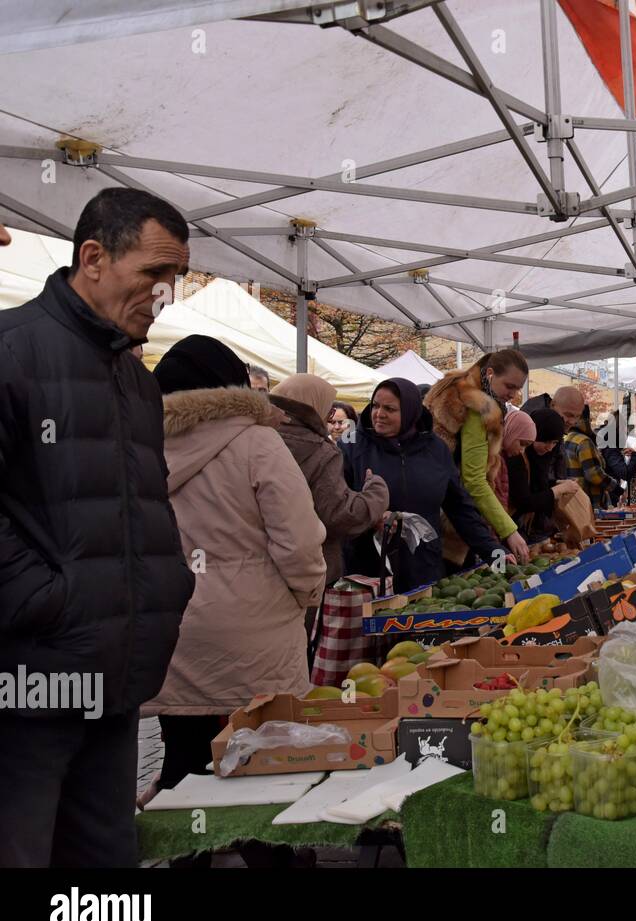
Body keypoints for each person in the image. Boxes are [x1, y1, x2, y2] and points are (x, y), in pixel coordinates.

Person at [0, 188, 196, 866]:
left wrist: (164, 589)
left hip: (116, 675)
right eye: (153, 275)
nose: (164, 295)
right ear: (93, 257)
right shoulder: (12, 351)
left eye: (175, 280)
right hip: (30, 682)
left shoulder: (136, 379)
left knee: (107, 861)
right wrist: (51, 600)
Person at [148, 335, 326, 790]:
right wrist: (304, 596)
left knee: (185, 769)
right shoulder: (259, 444)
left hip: (177, 631)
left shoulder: (140, 448)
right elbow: (300, 542)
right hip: (257, 636)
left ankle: (188, 850)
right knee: (265, 773)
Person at [343, 378, 503, 591]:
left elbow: (460, 507)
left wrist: (495, 552)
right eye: (375, 406)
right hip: (369, 572)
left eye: (389, 409)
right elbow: (337, 504)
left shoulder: (435, 449)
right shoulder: (352, 446)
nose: (379, 413)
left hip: (422, 566)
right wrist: (369, 517)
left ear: (410, 412)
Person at [269, 374, 389, 630]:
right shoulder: (319, 451)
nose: (331, 413)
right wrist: (376, 491)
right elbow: (340, 515)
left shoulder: (258, 440)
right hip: (307, 573)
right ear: (313, 406)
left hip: (259, 572)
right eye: (329, 406)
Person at [425, 350, 531, 564]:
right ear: (490, 373)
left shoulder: (454, 387)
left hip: (432, 502)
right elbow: (474, 480)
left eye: (517, 389)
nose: (513, 395)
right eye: (509, 386)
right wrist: (509, 530)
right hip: (450, 518)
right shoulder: (479, 409)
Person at [504, 408, 580, 538]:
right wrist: (558, 490)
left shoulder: (538, 458)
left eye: (555, 443)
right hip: (508, 531)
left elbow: (534, 484)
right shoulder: (516, 456)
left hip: (524, 530)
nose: (550, 448)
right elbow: (524, 501)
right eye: (546, 441)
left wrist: (556, 484)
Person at [554, 386, 613, 506]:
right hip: (587, 501)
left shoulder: (566, 437)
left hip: (569, 501)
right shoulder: (583, 441)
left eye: (576, 416)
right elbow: (593, 474)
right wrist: (615, 487)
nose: (572, 421)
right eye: (568, 415)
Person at [596, 408, 636, 506]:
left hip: (605, 493)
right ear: (619, 428)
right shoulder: (610, 446)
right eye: (625, 428)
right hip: (606, 497)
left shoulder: (605, 442)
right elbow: (625, 473)